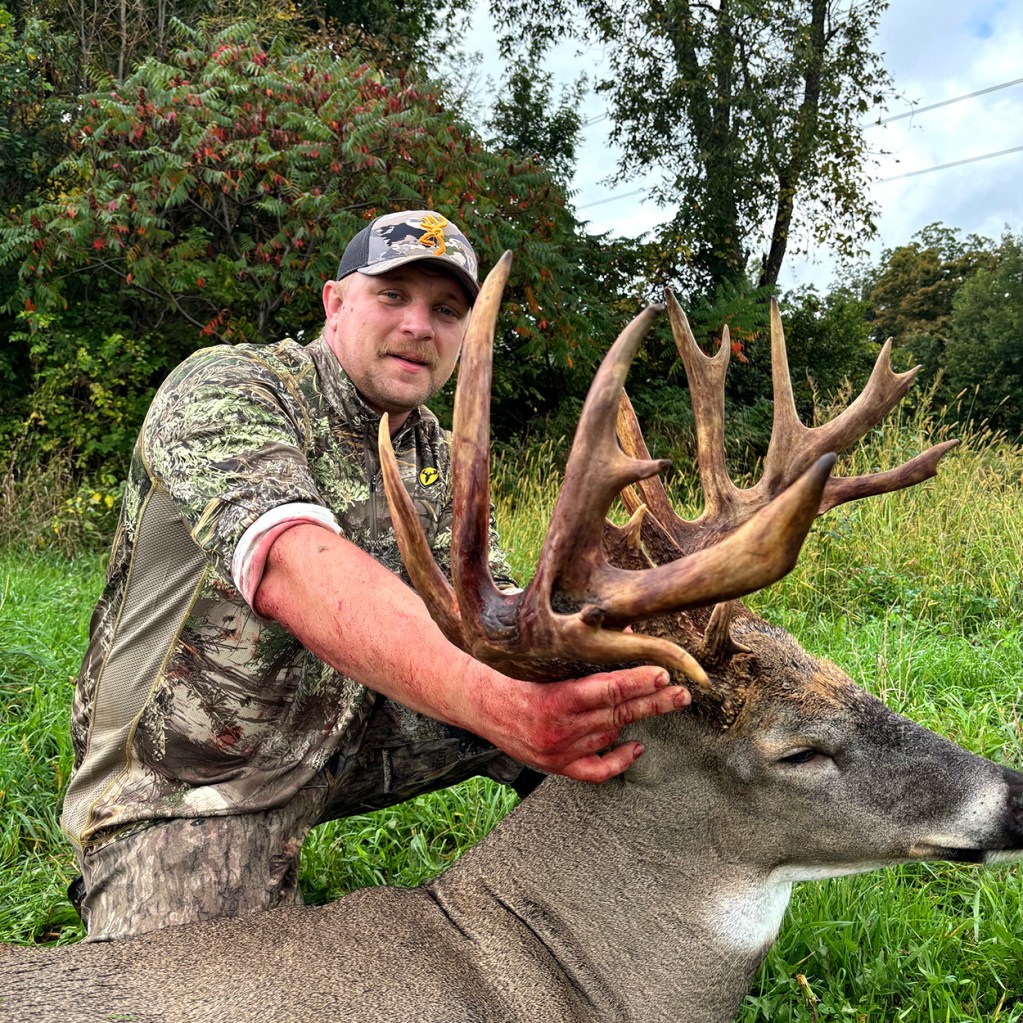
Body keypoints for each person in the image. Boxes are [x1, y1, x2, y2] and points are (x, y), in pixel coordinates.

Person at [60, 210, 690, 941]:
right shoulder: (231, 391)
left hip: (352, 729)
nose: (419, 325)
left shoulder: (443, 454)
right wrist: (501, 706)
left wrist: (615, 629)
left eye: (446, 309)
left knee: (608, 698)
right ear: (335, 302)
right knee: (194, 991)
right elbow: (295, 565)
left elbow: (498, 618)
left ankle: (623, 924)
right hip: (194, 775)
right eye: (393, 296)